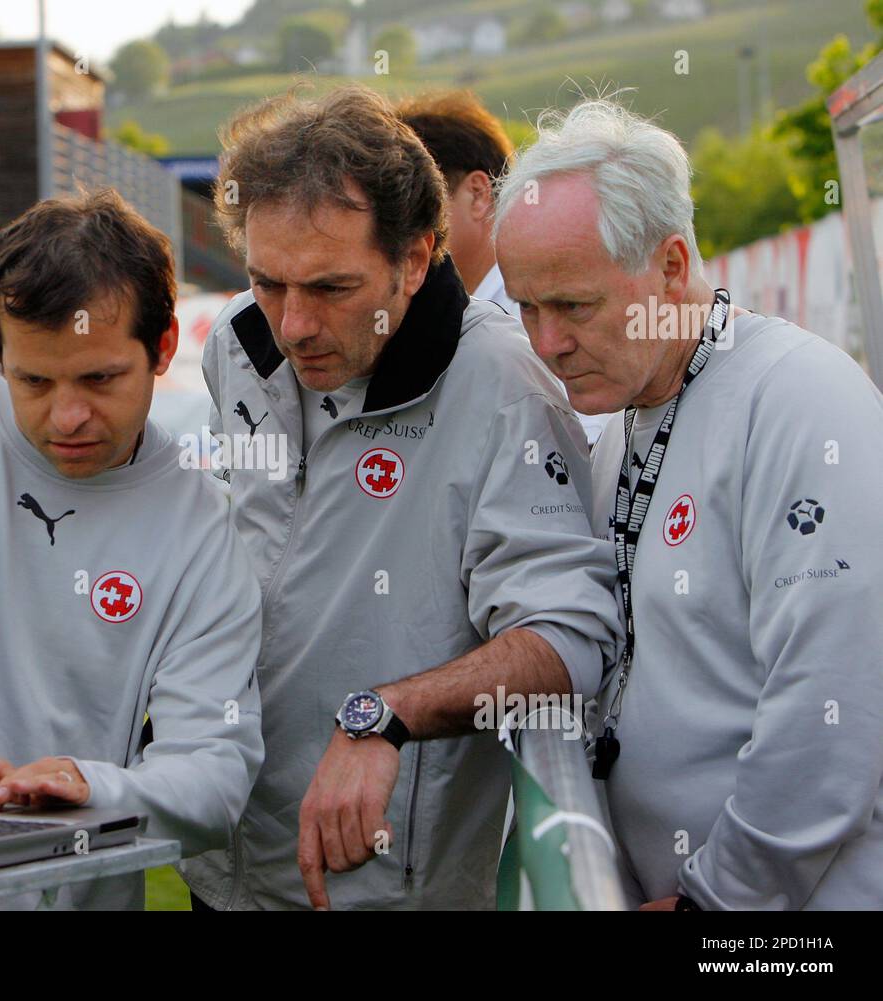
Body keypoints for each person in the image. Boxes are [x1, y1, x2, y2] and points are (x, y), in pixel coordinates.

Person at [180, 85, 621, 910]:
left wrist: (385, 714)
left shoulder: (505, 389)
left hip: (382, 885)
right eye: (268, 281)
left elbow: (568, 641)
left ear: (416, 259)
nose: (293, 324)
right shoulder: (240, 346)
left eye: (332, 288)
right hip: (221, 863)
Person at [494, 98, 883, 909]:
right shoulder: (624, 412)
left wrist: (717, 897)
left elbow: (832, 702)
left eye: (573, 305)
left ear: (672, 266)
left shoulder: (801, 401)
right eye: (527, 307)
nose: (546, 342)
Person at [0, 188, 265, 910]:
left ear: (162, 351)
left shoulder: (200, 528)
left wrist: (93, 784)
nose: (67, 416)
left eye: (99, 378)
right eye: (33, 380)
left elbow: (216, 773)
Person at [398, 90, 608, 447]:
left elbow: (587, 445)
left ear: (478, 194)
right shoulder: (436, 317)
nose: (393, 230)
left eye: (409, 205)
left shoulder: (536, 320)